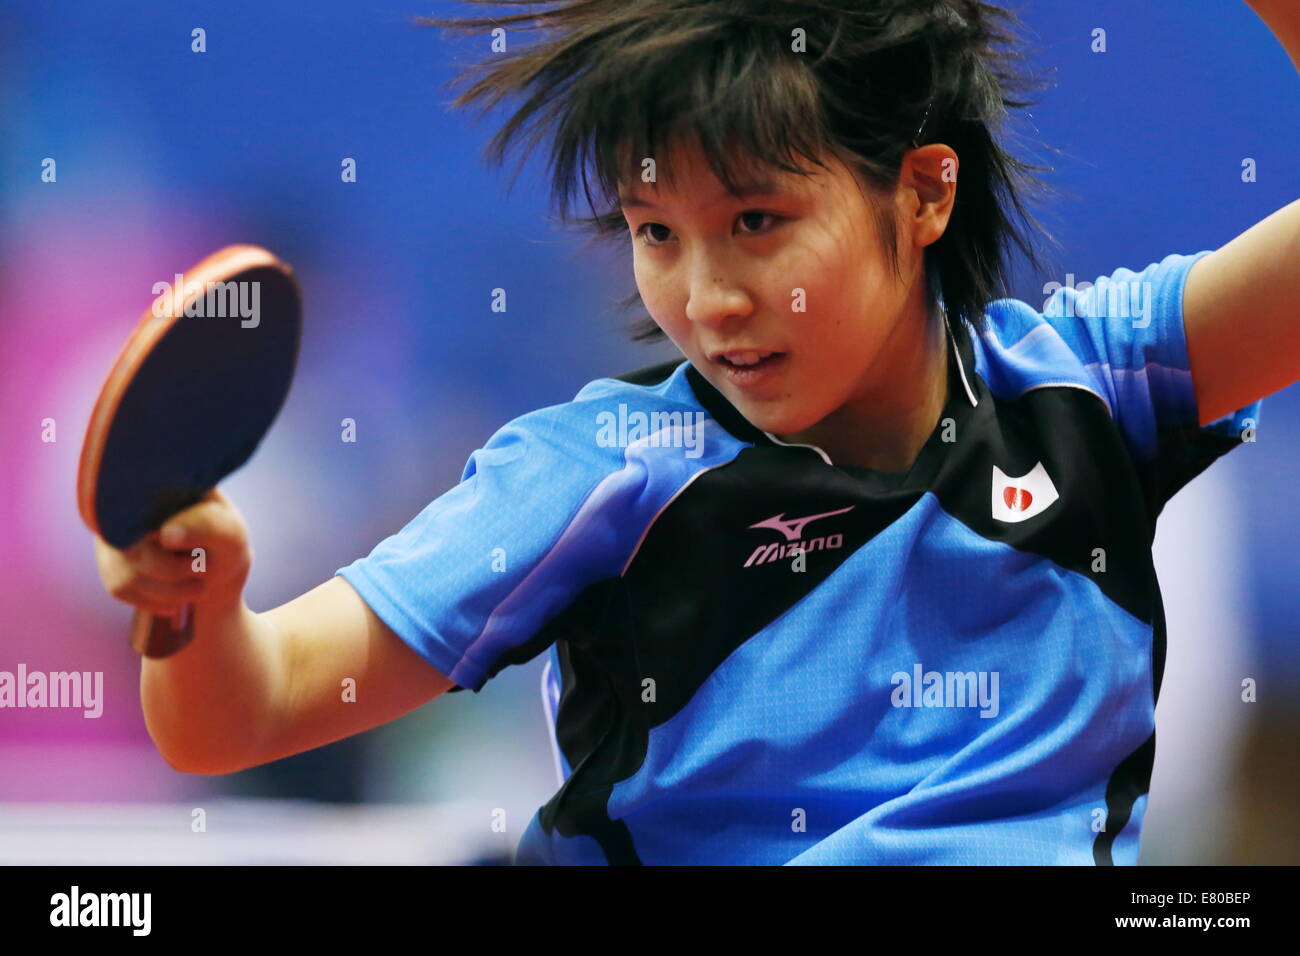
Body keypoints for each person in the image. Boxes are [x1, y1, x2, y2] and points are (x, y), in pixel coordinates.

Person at [93, 0, 1300, 864]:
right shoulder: (604, 472)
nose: (705, 298)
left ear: (924, 191)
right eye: (655, 229)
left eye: (758, 220)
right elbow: (238, 716)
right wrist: (193, 607)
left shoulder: (1094, 380)